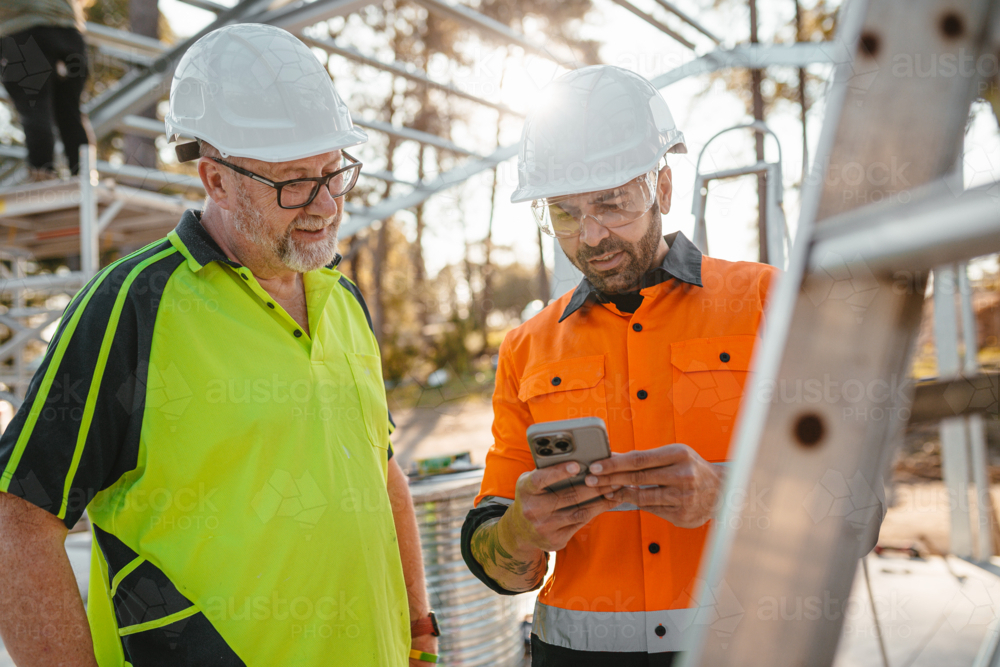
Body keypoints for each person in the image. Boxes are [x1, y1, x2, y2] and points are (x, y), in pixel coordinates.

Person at [0, 24, 439, 666]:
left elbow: (382, 472)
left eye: (334, 172)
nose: (325, 206)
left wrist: (419, 629)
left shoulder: (344, 301)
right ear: (217, 180)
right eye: (293, 182)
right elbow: (19, 520)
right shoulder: (132, 305)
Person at [460, 65, 779, 666]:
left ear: (661, 186)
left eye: (611, 202)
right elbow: (494, 544)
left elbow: (857, 507)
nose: (592, 236)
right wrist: (521, 533)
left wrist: (726, 495)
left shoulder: (769, 304)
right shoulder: (526, 346)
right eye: (566, 214)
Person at [0, 0, 94, 180]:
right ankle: (85, 179)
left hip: (24, 33)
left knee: (35, 109)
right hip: (70, 35)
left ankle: (41, 180)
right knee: (70, 113)